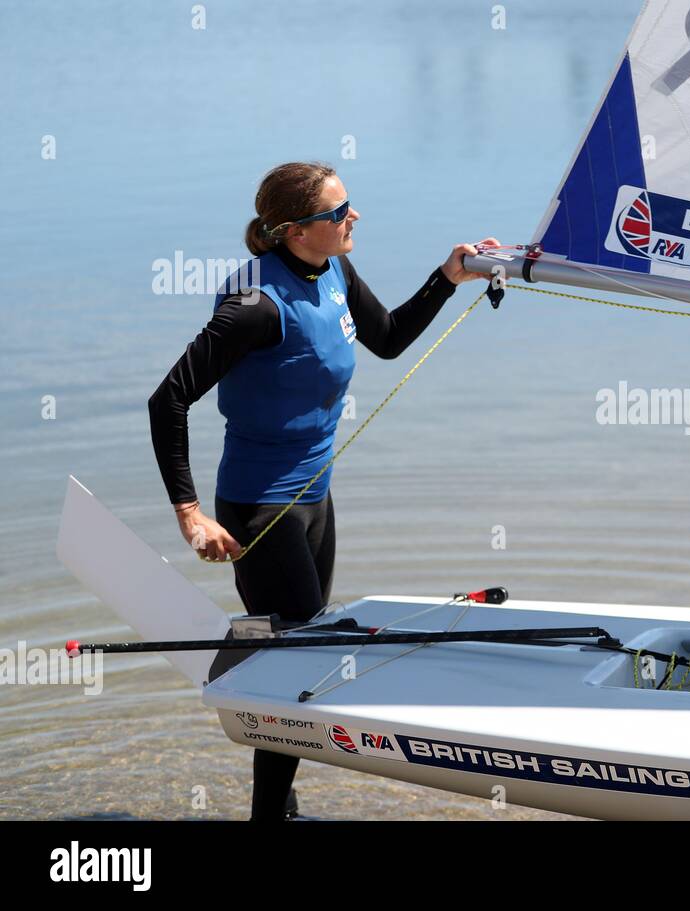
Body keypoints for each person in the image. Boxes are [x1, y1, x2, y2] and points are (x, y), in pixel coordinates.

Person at [148, 161, 496, 820]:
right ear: (297, 230)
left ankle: (250, 660)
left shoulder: (331, 268)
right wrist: (190, 513)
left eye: (348, 207)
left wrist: (448, 277)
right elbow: (167, 399)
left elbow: (388, 339)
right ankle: (268, 810)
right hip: (260, 507)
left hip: (315, 499)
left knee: (293, 654)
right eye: (339, 213)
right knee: (304, 668)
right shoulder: (255, 307)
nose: (352, 218)